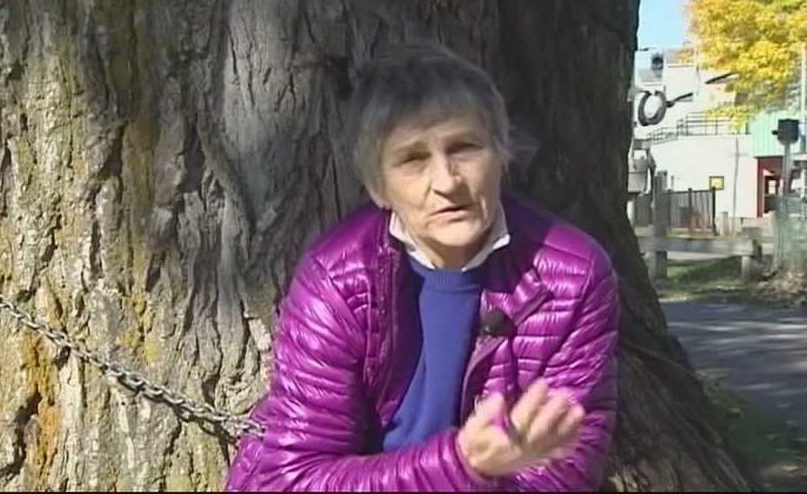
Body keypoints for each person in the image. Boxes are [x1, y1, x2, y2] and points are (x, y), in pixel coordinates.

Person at [225, 41, 619, 492]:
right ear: (378, 187)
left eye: (465, 147)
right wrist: (462, 466)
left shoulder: (572, 276)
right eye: (413, 158)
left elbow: (562, 471)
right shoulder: (336, 278)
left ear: (501, 157)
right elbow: (292, 479)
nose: (447, 182)